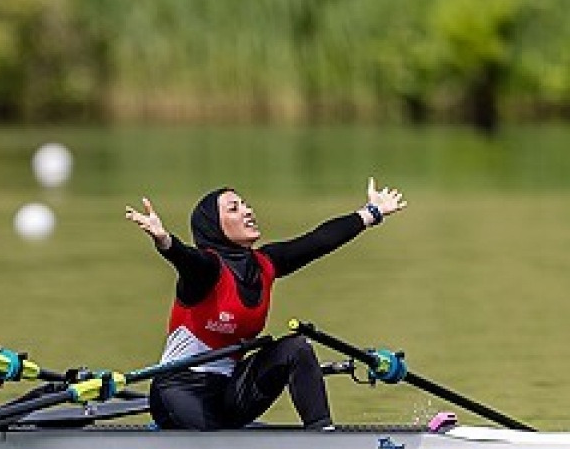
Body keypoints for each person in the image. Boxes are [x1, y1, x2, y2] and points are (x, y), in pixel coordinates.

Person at [124, 179, 407, 430]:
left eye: (245, 205)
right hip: (180, 388)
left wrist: (372, 213)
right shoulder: (207, 270)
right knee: (210, 431)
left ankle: (322, 437)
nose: (248, 211)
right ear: (214, 226)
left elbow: (318, 241)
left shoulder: (265, 264)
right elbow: (185, 259)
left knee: (297, 347)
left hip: (229, 390)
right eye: (234, 208)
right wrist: (164, 240)